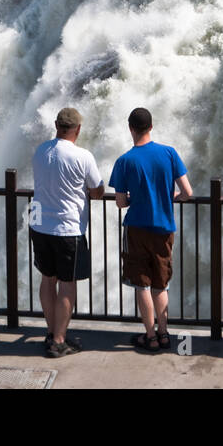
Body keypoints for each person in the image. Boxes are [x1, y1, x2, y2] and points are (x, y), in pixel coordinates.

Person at [108, 107, 192, 353]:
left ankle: (150, 336)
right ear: (151, 127)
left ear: (130, 128)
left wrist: (136, 199)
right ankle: (165, 334)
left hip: (136, 229)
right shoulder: (169, 153)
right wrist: (169, 198)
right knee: (160, 283)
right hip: (164, 228)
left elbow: (121, 202)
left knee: (142, 284)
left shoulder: (124, 161)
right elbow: (188, 193)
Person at [29, 106, 104, 358]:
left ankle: (52, 333)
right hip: (68, 229)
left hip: (40, 226)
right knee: (67, 285)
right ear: (78, 129)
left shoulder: (41, 151)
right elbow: (97, 190)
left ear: (56, 125)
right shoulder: (82, 156)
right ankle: (59, 341)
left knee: (47, 280)